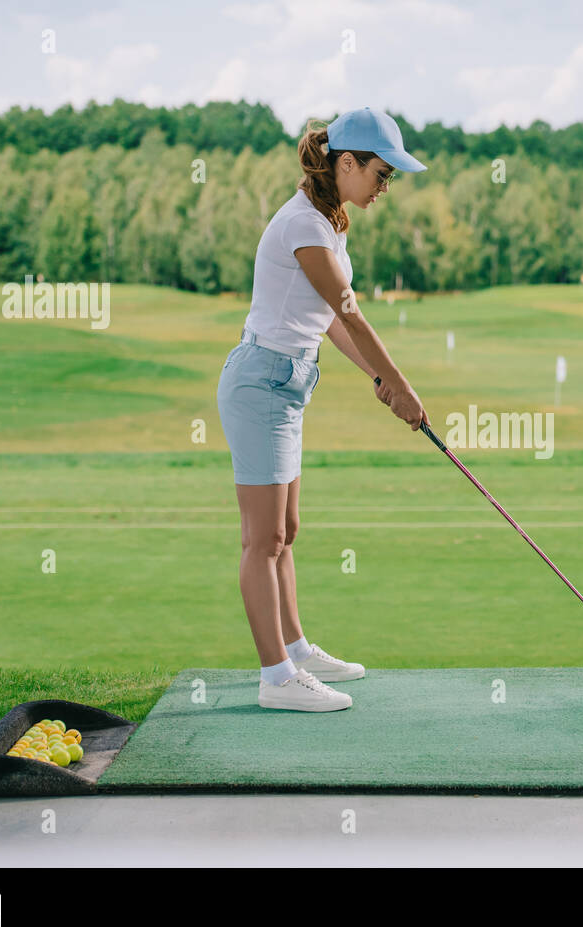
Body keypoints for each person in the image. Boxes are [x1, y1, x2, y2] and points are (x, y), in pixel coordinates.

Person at [216, 107, 430, 712]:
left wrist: (380, 383)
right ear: (346, 163)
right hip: (260, 384)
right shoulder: (303, 226)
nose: (384, 188)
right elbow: (352, 311)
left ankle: (297, 649)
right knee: (261, 539)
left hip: (288, 384)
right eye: (380, 174)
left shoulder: (328, 223)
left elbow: (331, 322)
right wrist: (401, 384)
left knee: (286, 531)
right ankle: (275, 678)